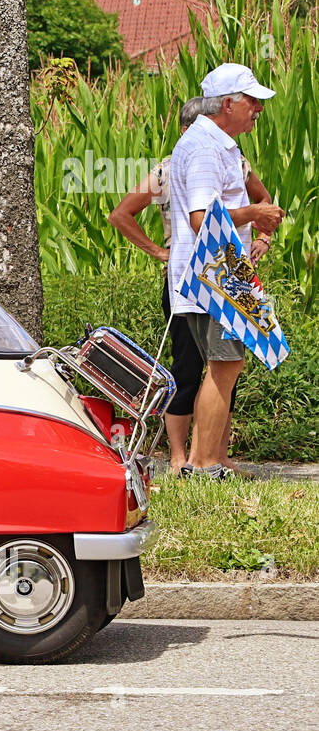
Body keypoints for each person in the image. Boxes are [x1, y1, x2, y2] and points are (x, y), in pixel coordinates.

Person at [108, 96, 277, 472]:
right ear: (188, 130)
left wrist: (262, 237)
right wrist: (158, 251)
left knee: (224, 365)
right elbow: (120, 214)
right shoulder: (167, 169)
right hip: (187, 276)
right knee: (187, 366)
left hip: (227, 271)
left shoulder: (234, 159)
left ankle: (214, 455)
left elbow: (264, 199)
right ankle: (179, 456)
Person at [165, 64, 285, 478]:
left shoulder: (218, 144)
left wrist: (257, 227)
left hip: (218, 273)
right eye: (252, 101)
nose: (258, 109)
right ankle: (204, 463)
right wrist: (254, 212)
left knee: (224, 364)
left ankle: (203, 461)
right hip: (212, 277)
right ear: (227, 104)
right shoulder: (203, 148)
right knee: (225, 364)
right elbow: (202, 218)